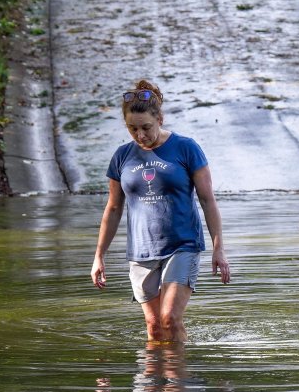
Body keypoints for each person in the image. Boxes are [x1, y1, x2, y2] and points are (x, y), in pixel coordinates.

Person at [91, 79, 230, 342]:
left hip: (182, 245)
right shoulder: (122, 156)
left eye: (146, 127)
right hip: (141, 250)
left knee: (169, 318)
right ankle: (154, 382)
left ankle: (178, 381)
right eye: (132, 129)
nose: (140, 135)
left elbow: (208, 200)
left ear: (160, 119)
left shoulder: (186, 148)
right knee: (154, 326)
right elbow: (113, 208)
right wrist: (99, 256)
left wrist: (218, 248)